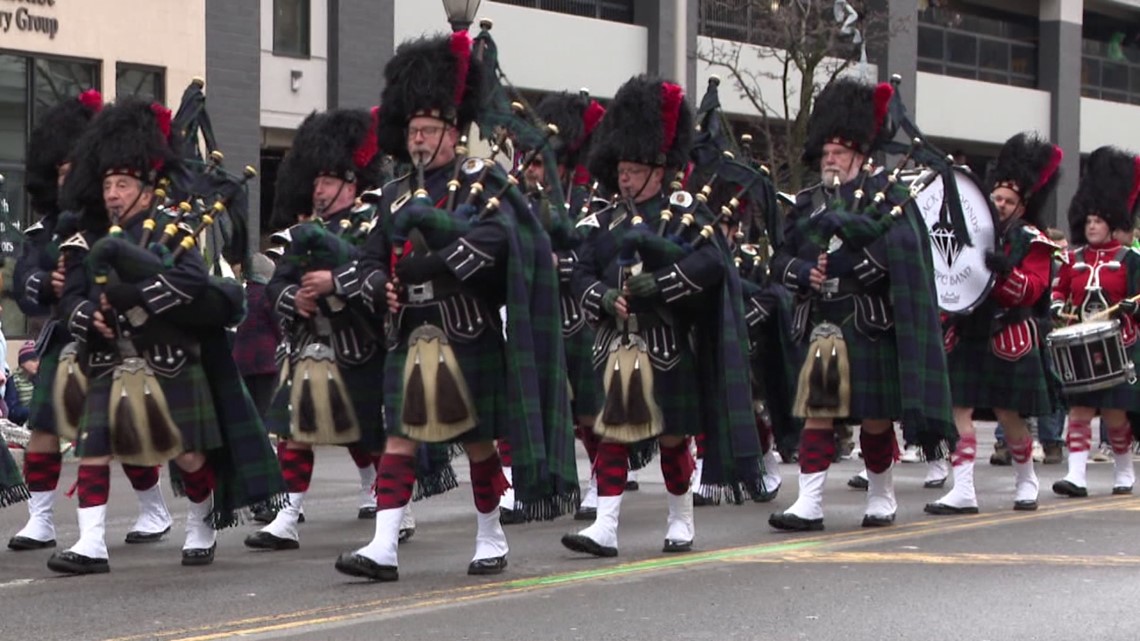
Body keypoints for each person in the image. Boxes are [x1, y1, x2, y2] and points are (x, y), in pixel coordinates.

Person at [334, 30, 577, 581]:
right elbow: (369, 258)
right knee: (399, 436)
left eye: (428, 130)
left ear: (452, 132)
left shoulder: (481, 182)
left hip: (465, 329)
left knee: (478, 440)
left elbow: (502, 241)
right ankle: (383, 546)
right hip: (409, 327)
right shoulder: (393, 193)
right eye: (412, 130)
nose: (418, 140)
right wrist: (380, 284)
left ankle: (490, 535)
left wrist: (438, 257)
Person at [49, 97, 285, 574]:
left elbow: (191, 281)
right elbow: (69, 297)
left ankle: (201, 523)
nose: (113, 194)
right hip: (109, 358)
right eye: (107, 185)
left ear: (146, 188)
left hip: (167, 358)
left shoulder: (171, 231)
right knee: (94, 448)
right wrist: (89, 316)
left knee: (190, 454)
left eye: (122, 185)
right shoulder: (87, 236)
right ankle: (91, 542)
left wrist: (134, 296)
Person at [562, 73, 757, 556]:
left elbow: (713, 264)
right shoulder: (605, 220)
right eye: (621, 169)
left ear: (658, 168)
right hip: (614, 344)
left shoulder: (684, 213)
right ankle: (605, 527)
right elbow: (581, 272)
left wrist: (662, 284)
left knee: (672, 439)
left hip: (665, 346)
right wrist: (603, 297)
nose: (624, 178)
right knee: (611, 435)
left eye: (633, 170)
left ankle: (681, 519)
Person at [768, 77, 956, 531]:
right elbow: (780, 257)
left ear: (859, 155)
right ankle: (809, 502)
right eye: (826, 152)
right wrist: (802, 273)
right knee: (817, 413)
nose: (830, 159)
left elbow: (905, 252)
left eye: (839, 152)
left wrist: (855, 263)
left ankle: (881, 495)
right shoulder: (808, 202)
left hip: (868, 322)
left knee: (874, 418)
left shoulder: (887, 197)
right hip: (822, 322)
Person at [7, 91, 176, 553]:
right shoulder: (45, 230)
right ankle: (41, 520)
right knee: (44, 430)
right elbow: (23, 281)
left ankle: (155, 509)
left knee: (125, 431)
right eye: (60, 171)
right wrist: (50, 283)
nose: (65, 179)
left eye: (73, 170)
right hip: (64, 339)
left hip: (113, 340)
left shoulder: (117, 223)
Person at [245, 108, 391, 552]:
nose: (319, 189)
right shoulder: (302, 233)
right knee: (294, 433)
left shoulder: (374, 224)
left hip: (360, 346)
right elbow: (277, 285)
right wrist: (296, 298)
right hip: (309, 347)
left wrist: (335, 282)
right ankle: (287, 517)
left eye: (327, 181)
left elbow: (379, 273)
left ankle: (392, 510)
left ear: (350, 184)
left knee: (369, 435)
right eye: (317, 181)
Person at [926, 132, 1062, 515]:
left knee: (1008, 414)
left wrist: (1005, 273)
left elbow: (1031, 291)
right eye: (997, 198)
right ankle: (963, 489)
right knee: (958, 409)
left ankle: (1027, 480)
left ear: (1022, 205)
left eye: (1008, 201)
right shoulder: (972, 230)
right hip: (969, 329)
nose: (1000, 204)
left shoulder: (1034, 241)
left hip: (1008, 332)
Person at [1050, 146, 1138, 497]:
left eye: (1098, 221)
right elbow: (1059, 289)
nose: (1092, 226)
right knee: (1080, 410)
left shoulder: (1128, 258)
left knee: (1115, 414)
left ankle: (1124, 470)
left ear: (1111, 223)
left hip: (1121, 345)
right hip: (1080, 345)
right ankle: (1076, 476)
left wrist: (1132, 306)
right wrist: (1058, 307)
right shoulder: (1073, 259)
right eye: (1088, 221)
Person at [232, 253, 281, 419]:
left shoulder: (241, 295)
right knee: (265, 408)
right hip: (266, 361)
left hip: (242, 361)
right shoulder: (268, 295)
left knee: (249, 409)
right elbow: (279, 325)